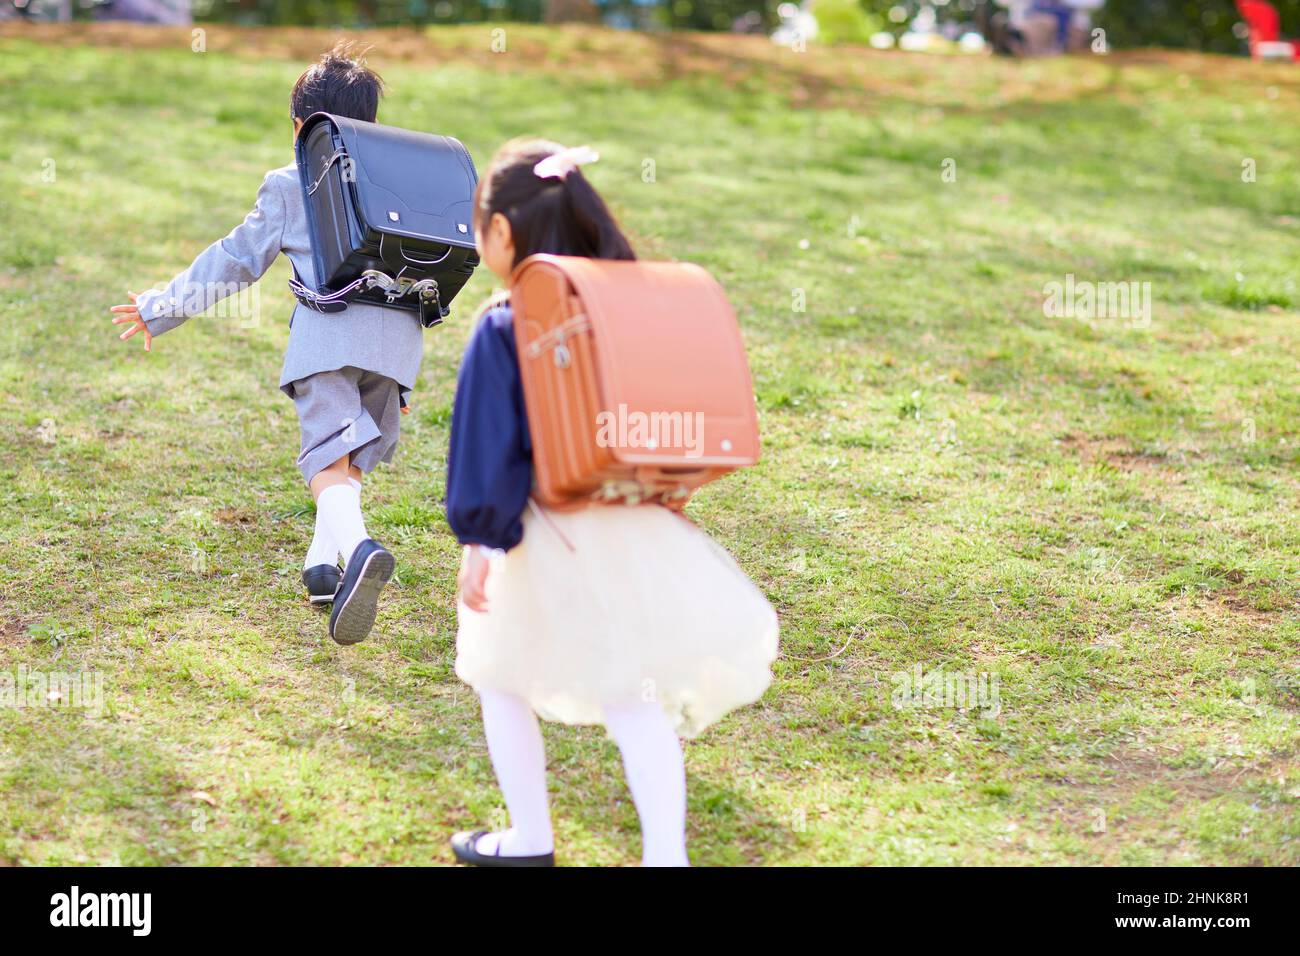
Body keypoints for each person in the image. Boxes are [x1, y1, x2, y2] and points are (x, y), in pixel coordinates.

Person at [444, 139, 780, 867]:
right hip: (636, 524)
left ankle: (530, 838)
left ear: (501, 233)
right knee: (634, 695)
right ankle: (667, 857)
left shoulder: (508, 325)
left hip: (545, 532)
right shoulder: (629, 310)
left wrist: (481, 540)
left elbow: (489, 450)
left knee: (498, 676)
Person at [109, 42, 412, 645]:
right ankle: (322, 567)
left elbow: (235, 262)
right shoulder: (400, 180)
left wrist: (160, 308)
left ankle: (358, 550)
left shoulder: (291, 183)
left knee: (325, 454)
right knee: (348, 449)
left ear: (302, 127)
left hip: (329, 339)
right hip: (399, 339)